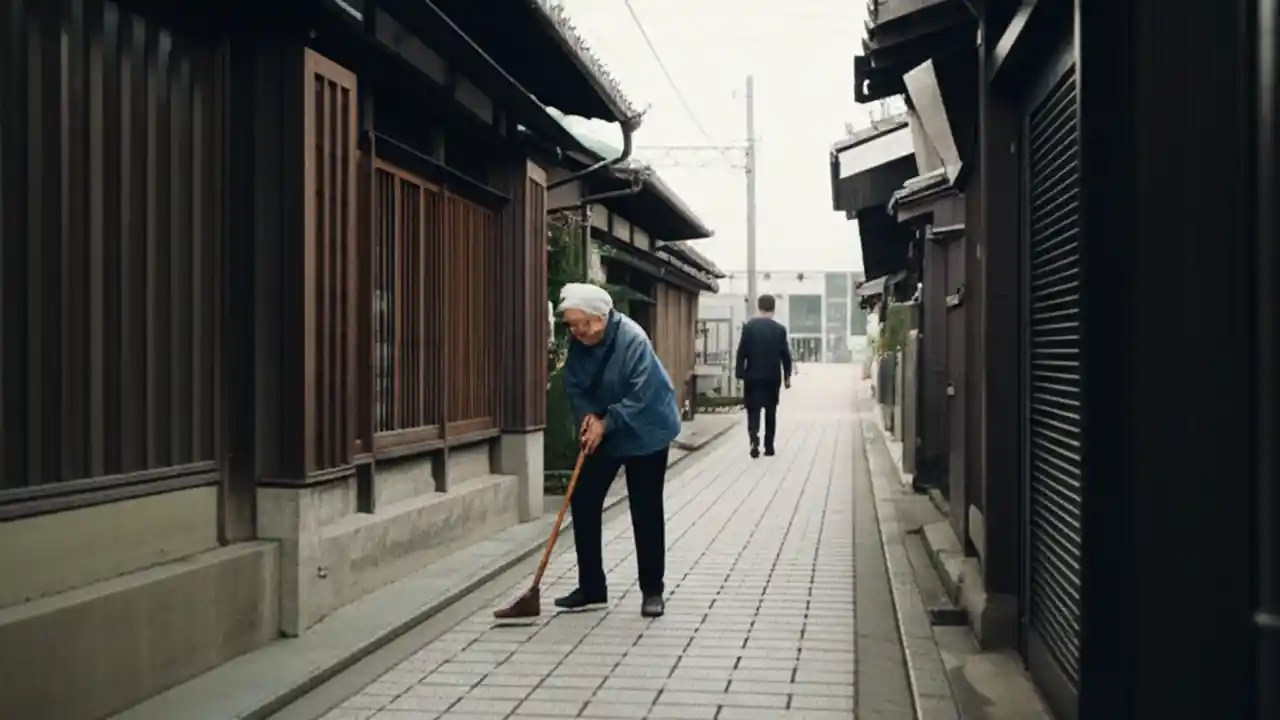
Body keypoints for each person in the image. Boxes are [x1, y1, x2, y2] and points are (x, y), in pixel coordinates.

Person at [556, 282, 681, 618]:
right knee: (583, 499)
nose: (578, 331)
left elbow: (643, 396)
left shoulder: (633, 340)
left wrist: (605, 422)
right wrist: (587, 418)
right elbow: (575, 385)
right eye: (571, 324)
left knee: (645, 506)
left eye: (583, 323)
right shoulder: (580, 342)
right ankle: (592, 587)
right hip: (606, 426)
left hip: (647, 427)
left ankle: (652, 590)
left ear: (602, 317)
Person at [735, 294, 793, 458]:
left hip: (752, 376)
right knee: (770, 411)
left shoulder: (749, 327)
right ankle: (769, 446)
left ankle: (754, 441)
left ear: (759, 307)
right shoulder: (779, 330)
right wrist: (787, 376)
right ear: (773, 309)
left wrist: (739, 373)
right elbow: (785, 355)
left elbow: (741, 353)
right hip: (772, 378)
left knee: (753, 410)